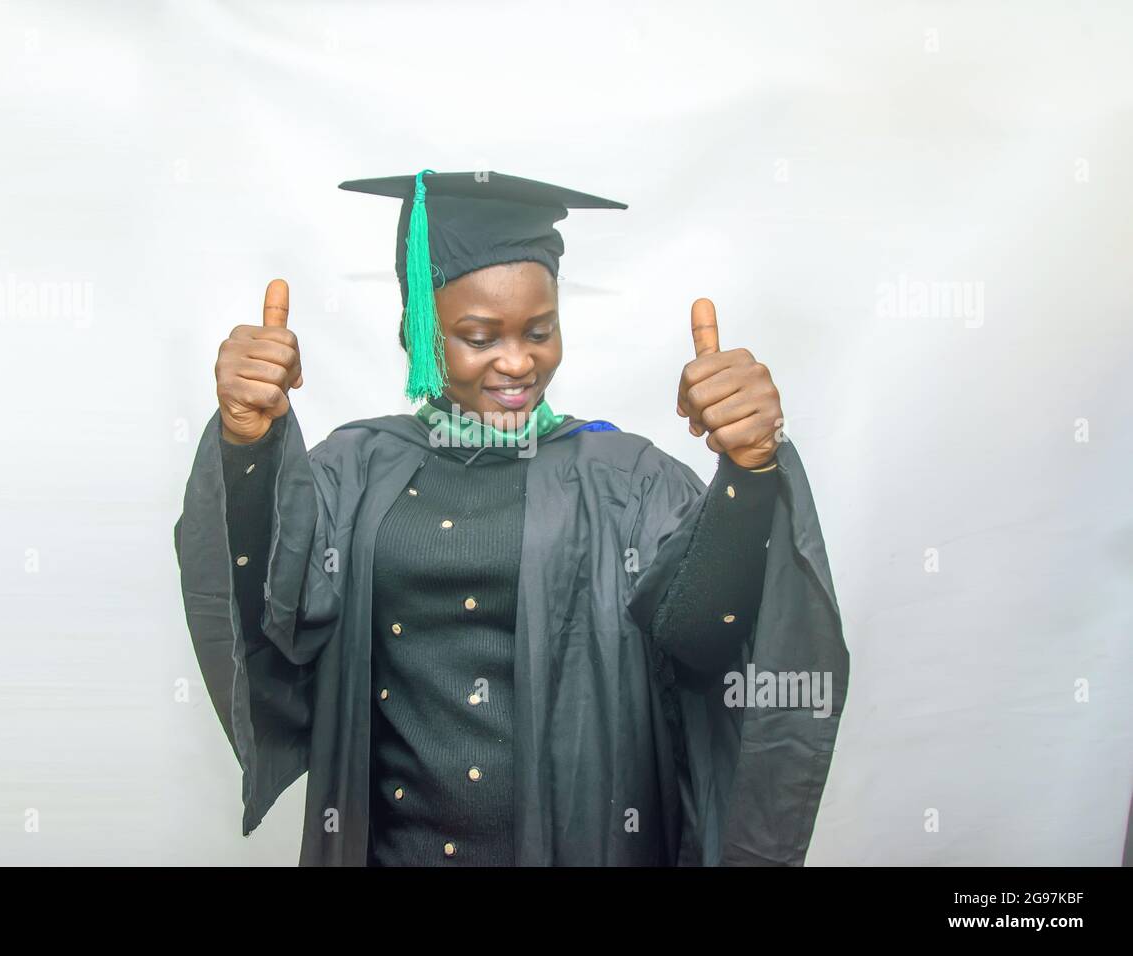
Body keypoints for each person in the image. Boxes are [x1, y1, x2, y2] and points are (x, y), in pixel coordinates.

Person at [174, 170, 848, 866]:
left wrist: (751, 473)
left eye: (540, 330)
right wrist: (248, 447)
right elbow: (271, 608)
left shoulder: (626, 478)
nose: (518, 361)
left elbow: (704, 638)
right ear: (421, 333)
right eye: (478, 334)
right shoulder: (357, 467)